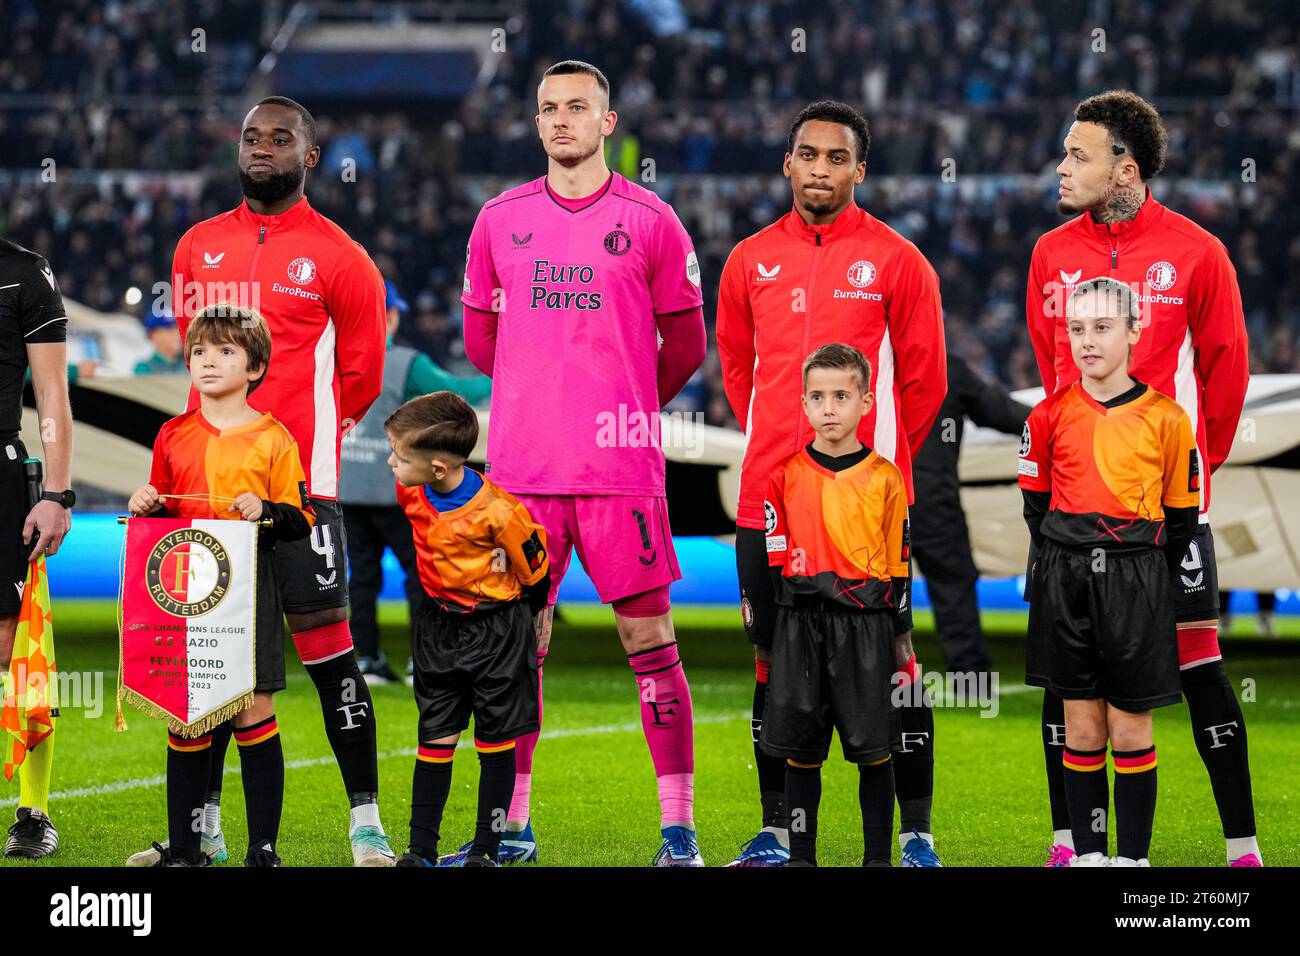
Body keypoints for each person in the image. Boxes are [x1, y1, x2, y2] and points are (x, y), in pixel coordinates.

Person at [461, 60, 707, 866]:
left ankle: (678, 832)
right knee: (517, 653)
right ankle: (511, 828)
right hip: (524, 476)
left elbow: (688, 343)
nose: (560, 119)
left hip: (619, 476)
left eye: (577, 107)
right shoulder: (499, 219)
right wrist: (540, 401)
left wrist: (624, 404)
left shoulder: (653, 219)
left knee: (651, 648)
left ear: (609, 123)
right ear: (535, 125)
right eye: (547, 109)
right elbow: (480, 343)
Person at [140, 95, 392, 866]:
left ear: (310, 158)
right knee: (213, 666)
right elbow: (196, 356)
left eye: (281, 139)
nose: (262, 148)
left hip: (297, 496)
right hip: (206, 501)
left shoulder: (342, 256)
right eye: (252, 136)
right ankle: (203, 834)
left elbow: (361, 374)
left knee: (331, 658)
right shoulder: (196, 246)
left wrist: (290, 448)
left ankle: (366, 824)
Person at [1026, 89, 1260, 867]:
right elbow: (1052, 373)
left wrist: (1185, 484)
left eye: (1077, 154)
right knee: (1071, 679)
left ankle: (1242, 848)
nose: (1061, 167)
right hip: (1071, 515)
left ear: (1124, 167)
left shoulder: (1199, 252)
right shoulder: (1050, 254)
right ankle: (1070, 844)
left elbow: (1226, 378)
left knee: (1200, 668)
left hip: (1164, 518)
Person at [715, 100, 946, 867]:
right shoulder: (749, 260)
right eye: (807, 155)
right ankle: (777, 830)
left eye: (836, 158)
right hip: (768, 503)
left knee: (897, 670)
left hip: (868, 508)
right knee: (774, 668)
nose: (820, 169)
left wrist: (877, 479)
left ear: (860, 169)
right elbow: (740, 374)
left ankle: (915, 834)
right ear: (788, 164)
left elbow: (924, 386)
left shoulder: (898, 260)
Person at [1020, 277, 1199, 866]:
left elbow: (1180, 522)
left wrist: (1142, 577)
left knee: (1129, 730)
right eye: (1077, 329)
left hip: (1137, 578)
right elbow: (1037, 510)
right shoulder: (1046, 417)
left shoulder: (1168, 420)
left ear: (1133, 331)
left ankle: (1132, 860)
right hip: (1065, 579)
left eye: (1102, 327)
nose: (1087, 341)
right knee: (1082, 729)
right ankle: (1091, 855)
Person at [126, 304, 314, 867]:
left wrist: (267, 509)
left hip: (248, 591)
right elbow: (161, 510)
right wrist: (145, 504)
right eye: (200, 351)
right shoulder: (173, 434)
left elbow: (300, 518)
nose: (209, 361)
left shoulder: (274, 438)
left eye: (226, 351)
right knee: (187, 714)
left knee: (252, 710)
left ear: (255, 367)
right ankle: (185, 850)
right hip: (184, 590)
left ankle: (263, 848)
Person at [383, 392, 549, 867]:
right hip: (437, 628)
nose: (391, 461)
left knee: (494, 742)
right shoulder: (410, 490)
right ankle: (419, 851)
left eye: (399, 454)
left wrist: (533, 623)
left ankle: (486, 850)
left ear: (437, 467)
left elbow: (536, 574)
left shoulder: (502, 513)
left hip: (497, 632)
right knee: (433, 738)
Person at [761, 344, 911, 867]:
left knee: (875, 750)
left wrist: (901, 635)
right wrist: (767, 634)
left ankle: (877, 858)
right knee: (802, 752)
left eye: (841, 396)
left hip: (866, 627)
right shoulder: (782, 476)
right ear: (803, 404)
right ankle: (802, 856)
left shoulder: (886, 479)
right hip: (800, 627)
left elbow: (898, 564)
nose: (829, 408)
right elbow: (774, 559)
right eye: (818, 397)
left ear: (866, 403)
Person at [339, 279, 491, 685]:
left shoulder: (334, 357)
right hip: (395, 489)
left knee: (362, 578)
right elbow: (456, 393)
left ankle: (366, 659)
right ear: (389, 316)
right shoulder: (406, 362)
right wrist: (503, 376)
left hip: (347, 487)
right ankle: (421, 659)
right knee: (420, 574)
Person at [0, 238, 73, 860]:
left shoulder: (25, 272)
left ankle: (33, 810)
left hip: (0, 477)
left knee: (11, 648)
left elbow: (51, 392)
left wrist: (56, 491)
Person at [911, 351, 1031, 676]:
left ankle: (867, 678)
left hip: (873, 498)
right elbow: (1001, 412)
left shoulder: (867, 363)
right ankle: (969, 676)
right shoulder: (946, 367)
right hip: (933, 500)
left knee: (869, 591)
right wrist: (1059, 424)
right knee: (952, 585)